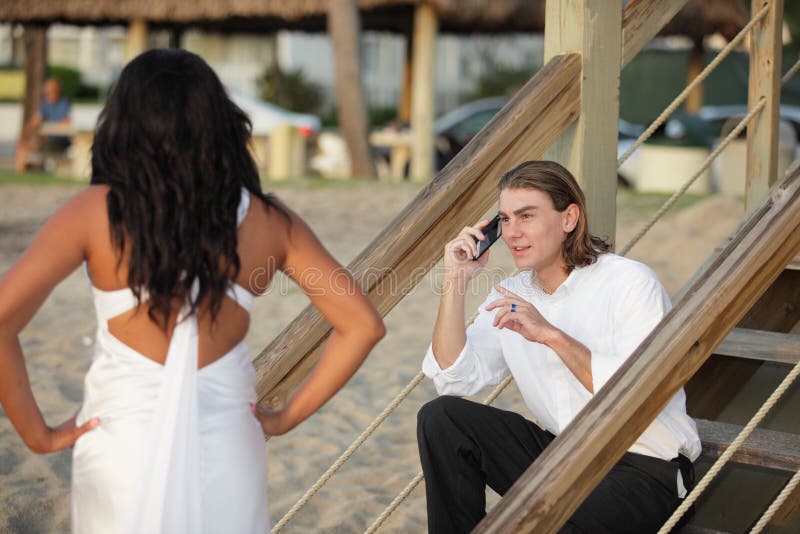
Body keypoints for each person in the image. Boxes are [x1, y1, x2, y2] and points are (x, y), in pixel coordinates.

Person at [0, 49, 385, 533]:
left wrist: (37, 435)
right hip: (227, 446)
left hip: (122, 449)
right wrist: (287, 417)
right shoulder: (270, 224)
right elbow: (362, 325)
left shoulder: (92, 213)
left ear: (123, 125)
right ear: (220, 125)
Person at [417, 160, 701, 534]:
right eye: (504, 219)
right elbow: (453, 379)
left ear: (569, 219)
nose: (513, 232)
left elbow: (638, 393)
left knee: (542, 524)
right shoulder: (514, 293)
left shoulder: (630, 283)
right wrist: (455, 282)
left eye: (527, 216)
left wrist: (550, 334)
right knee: (442, 417)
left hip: (644, 470)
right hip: (562, 458)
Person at [15, 77, 72, 172]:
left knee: (39, 147)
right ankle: (22, 171)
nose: (48, 95)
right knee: (23, 146)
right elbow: (35, 121)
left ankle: (33, 168)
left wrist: (49, 131)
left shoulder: (63, 103)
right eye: (47, 93)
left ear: (56, 91)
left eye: (50, 92)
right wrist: (24, 136)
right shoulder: (45, 104)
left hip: (59, 140)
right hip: (46, 140)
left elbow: (65, 122)